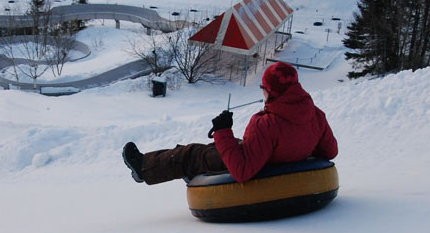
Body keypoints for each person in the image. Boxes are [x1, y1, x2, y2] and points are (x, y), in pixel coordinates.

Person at [122, 61, 337, 185]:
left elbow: (242, 171)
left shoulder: (267, 123)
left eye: (263, 88)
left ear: (272, 91)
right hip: (271, 159)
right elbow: (330, 150)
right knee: (218, 147)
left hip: (261, 166)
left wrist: (223, 130)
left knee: (193, 154)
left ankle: (144, 167)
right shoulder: (315, 114)